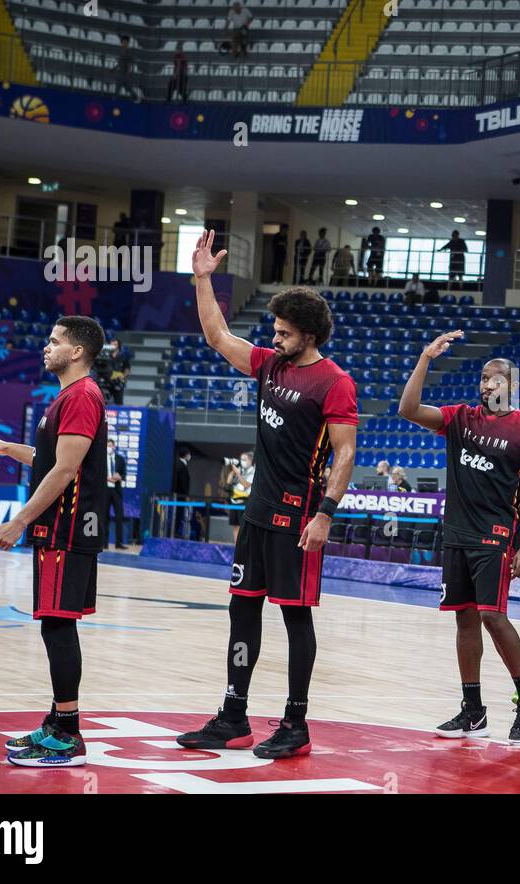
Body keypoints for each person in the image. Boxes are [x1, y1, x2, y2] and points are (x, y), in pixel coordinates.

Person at [177, 231, 358, 759]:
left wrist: (325, 514)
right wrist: (203, 279)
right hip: (257, 513)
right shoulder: (269, 364)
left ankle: (296, 723)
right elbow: (217, 335)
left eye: (283, 333)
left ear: (308, 334)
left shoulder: (335, 382)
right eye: (274, 331)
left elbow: (345, 454)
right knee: (242, 611)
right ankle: (233, 717)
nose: (274, 338)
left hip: (298, 518)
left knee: (296, 618)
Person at [0, 315, 109, 767]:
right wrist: (4, 448)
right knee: (55, 624)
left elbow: (66, 470)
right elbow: (52, 458)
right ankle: (56, 722)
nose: (46, 347)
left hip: (68, 528)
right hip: (60, 528)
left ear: (76, 351)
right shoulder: (67, 397)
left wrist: (18, 521)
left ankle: (68, 735)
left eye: (54, 341)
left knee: (58, 626)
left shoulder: (83, 395)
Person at [399, 334, 520, 745]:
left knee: (492, 616)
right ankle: (473, 710)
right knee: (464, 619)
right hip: (457, 535)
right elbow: (408, 409)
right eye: (483, 378)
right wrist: (425, 357)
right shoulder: (459, 418)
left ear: (511, 386)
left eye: (495, 379)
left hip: (495, 537)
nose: (486, 384)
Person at [224, 451, 254, 545]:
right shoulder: (239, 470)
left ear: (250, 461)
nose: (242, 461)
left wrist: (237, 473)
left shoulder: (253, 471)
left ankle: (243, 547)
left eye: (244, 459)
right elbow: (228, 484)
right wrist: (233, 471)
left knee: (244, 527)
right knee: (235, 526)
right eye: (241, 459)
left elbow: (246, 485)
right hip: (234, 502)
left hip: (245, 502)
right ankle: (236, 546)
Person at [172, 447, 201, 541]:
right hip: (180, 495)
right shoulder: (181, 466)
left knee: (178, 514)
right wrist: (186, 495)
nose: (190, 456)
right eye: (189, 454)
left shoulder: (178, 464)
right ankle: (175, 532)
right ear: (186, 455)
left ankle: (176, 532)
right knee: (178, 513)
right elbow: (183, 483)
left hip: (178, 495)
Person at [106, 437, 128, 549]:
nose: (109, 448)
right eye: (107, 446)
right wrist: (106, 478)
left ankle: (118, 543)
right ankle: (103, 543)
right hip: (105, 491)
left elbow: (124, 474)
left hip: (116, 491)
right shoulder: (101, 459)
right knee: (104, 516)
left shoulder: (120, 459)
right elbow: (97, 473)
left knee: (119, 516)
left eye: (111, 446)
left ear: (114, 447)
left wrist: (120, 477)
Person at [116, 35, 137, 100]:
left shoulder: (128, 50)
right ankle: (115, 97)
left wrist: (129, 67)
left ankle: (135, 97)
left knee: (127, 86)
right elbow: (120, 61)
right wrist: (115, 68)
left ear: (127, 42)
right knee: (119, 84)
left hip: (125, 70)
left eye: (125, 41)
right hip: (121, 70)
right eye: (123, 41)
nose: (123, 43)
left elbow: (131, 60)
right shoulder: (121, 50)